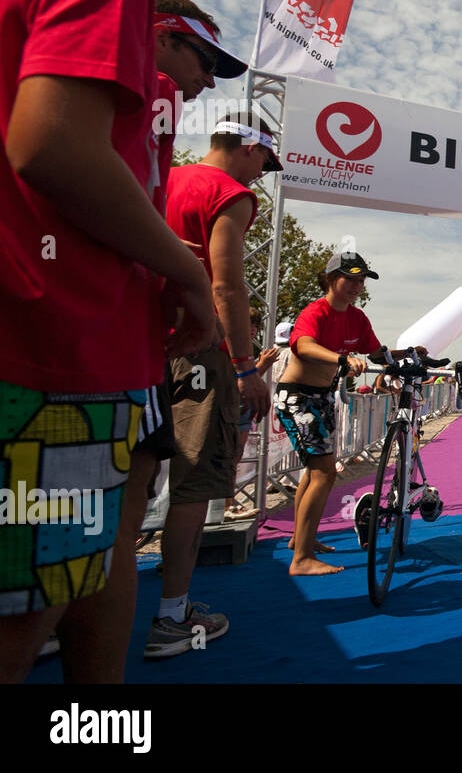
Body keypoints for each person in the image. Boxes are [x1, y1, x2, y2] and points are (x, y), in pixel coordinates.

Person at [0, 0, 221, 683]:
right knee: (25, 616)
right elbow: (51, 146)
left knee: (84, 568)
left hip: (54, 341)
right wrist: (182, 268)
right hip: (57, 347)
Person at [143, 113, 279, 657]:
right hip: (202, 351)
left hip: (143, 346)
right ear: (248, 148)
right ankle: (172, 615)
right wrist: (245, 368)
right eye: (265, 163)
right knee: (193, 487)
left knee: (132, 478)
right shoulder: (230, 194)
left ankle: (69, 611)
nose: (263, 176)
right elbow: (228, 286)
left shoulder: (164, 178)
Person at [274, 252, 390, 569]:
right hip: (297, 397)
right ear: (330, 279)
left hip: (323, 397)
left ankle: (302, 540)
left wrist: (407, 360)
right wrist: (341, 359)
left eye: (361, 279)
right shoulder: (316, 311)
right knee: (324, 472)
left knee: (315, 473)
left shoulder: (357, 318)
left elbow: (378, 352)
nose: (357, 285)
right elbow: (302, 345)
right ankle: (302, 559)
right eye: (350, 278)